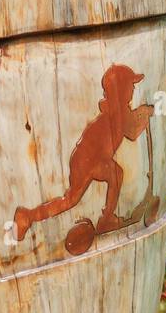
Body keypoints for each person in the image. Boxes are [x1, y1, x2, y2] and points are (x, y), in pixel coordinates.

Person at [13, 64, 154, 240]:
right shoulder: (118, 110)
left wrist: (141, 114)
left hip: (82, 158)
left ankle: (28, 216)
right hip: (90, 159)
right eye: (130, 85)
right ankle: (107, 219)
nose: (133, 89)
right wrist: (147, 114)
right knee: (114, 175)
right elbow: (132, 132)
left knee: (70, 200)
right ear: (122, 88)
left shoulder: (115, 108)